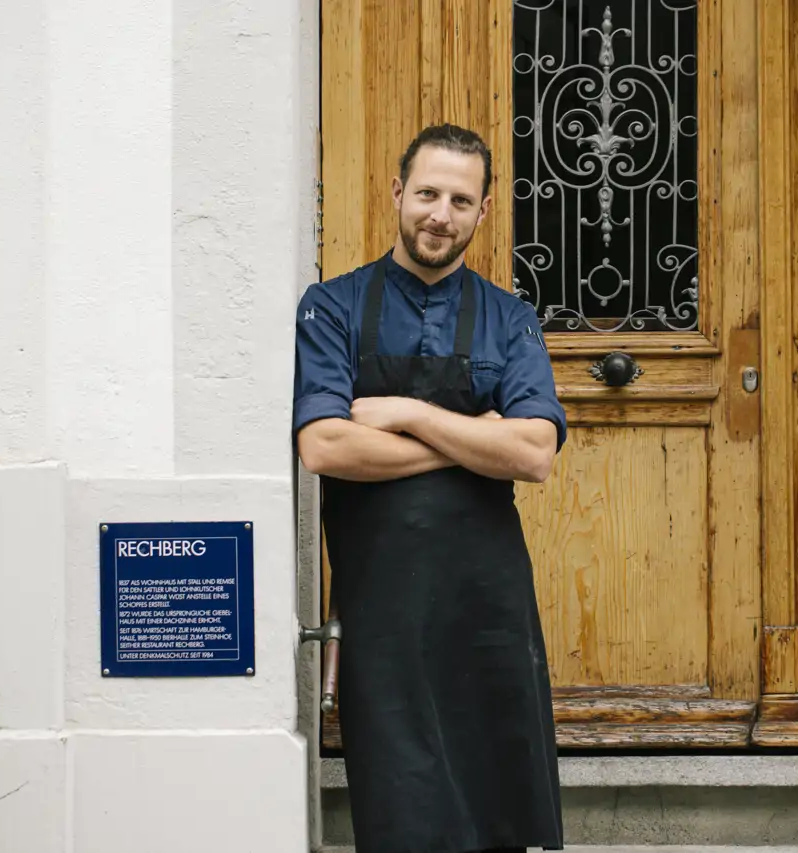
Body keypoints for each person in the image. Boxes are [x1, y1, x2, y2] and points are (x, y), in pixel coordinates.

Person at [293, 123, 566, 853]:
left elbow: (535, 452)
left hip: (487, 602)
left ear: (484, 210)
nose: (439, 214)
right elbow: (323, 443)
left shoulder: (512, 318)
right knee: (401, 804)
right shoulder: (331, 308)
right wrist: (475, 440)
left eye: (459, 199)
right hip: (380, 600)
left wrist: (411, 415)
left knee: (496, 803)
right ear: (396, 193)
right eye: (426, 194)